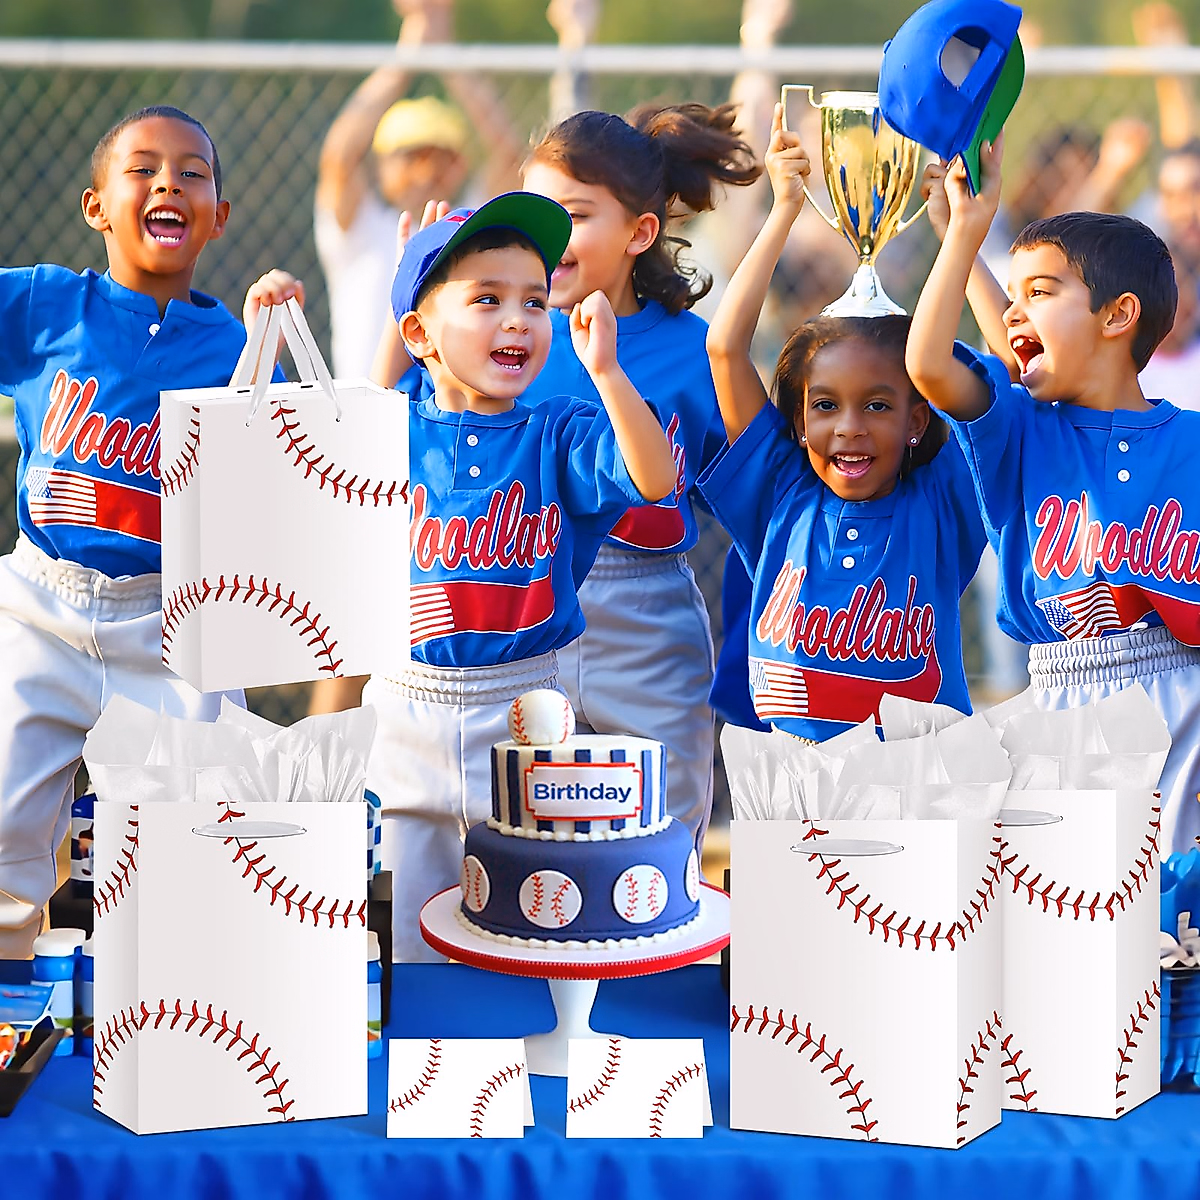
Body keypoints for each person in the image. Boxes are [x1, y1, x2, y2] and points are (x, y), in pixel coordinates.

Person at [0, 105, 301, 956]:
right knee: (3, 828)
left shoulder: (238, 342)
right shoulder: (45, 304)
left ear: (219, 216)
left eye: (192, 172)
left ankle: (174, 1020)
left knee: (200, 840)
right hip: (39, 608)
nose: (168, 181)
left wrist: (263, 349)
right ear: (96, 206)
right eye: (142, 169)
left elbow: (259, 486)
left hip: (175, 621)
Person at [355, 193, 676, 960]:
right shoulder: (391, 429)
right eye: (486, 299)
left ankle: (538, 1076)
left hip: (530, 712)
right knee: (404, 938)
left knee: (537, 934)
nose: (518, 320)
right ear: (418, 335)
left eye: (535, 300)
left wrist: (605, 372)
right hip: (406, 712)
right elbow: (352, 418)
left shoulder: (559, 428)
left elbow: (654, 477)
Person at [906, 136, 1200, 857]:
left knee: (1179, 932)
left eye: (1040, 293)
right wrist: (962, 236)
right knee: (1077, 931)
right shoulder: (1020, 430)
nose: (1013, 312)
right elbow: (928, 363)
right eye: (1012, 295)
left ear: (1117, 315)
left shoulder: (1190, 441)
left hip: (1185, 697)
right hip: (1061, 701)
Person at [514, 103, 762, 846]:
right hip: (531, 602)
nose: (547, 235)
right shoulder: (505, 337)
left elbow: (756, 496)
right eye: (533, 215)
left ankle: (665, 961)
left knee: (662, 835)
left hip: (650, 611)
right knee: (529, 838)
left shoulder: (697, 351)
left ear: (639, 232)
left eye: (574, 214)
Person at [698, 106, 986, 741]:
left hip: (917, 791)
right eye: (824, 406)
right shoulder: (781, 495)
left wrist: (959, 237)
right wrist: (783, 212)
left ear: (918, 419)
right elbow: (725, 346)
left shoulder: (942, 503)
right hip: (793, 796)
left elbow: (1004, 383)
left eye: (878, 406)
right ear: (799, 423)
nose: (848, 428)